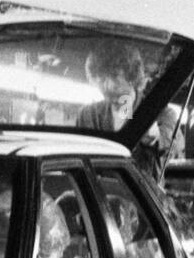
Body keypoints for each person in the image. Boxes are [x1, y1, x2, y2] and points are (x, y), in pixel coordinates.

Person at [76, 42, 180, 185]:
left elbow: (172, 145)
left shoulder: (162, 114)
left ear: (132, 77)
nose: (106, 87)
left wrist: (154, 139)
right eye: (101, 79)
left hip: (140, 202)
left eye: (113, 77)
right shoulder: (87, 115)